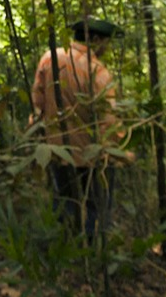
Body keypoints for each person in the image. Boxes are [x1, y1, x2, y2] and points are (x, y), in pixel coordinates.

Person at [29, 17, 130, 241]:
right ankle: (94, 253)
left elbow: (37, 104)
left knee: (63, 200)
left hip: (56, 150)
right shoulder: (99, 72)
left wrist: (38, 139)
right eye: (105, 42)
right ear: (94, 39)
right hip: (90, 155)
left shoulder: (49, 59)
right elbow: (109, 122)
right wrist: (119, 153)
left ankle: (63, 251)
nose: (107, 48)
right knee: (97, 206)